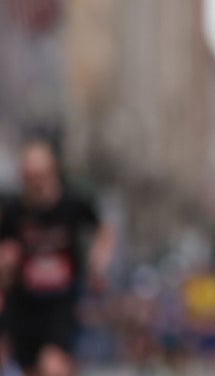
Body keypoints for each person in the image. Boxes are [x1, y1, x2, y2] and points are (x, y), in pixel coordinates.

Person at [0, 138, 114, 376]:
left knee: (52, 366)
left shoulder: (73, 203)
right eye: (29, 178)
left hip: (61, 303)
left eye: (41, 175)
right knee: (32, 369)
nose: (36, 183)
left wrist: (98, 262)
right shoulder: (12, 210)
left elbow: (104, 230)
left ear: (53, 172)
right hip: (24, 305)